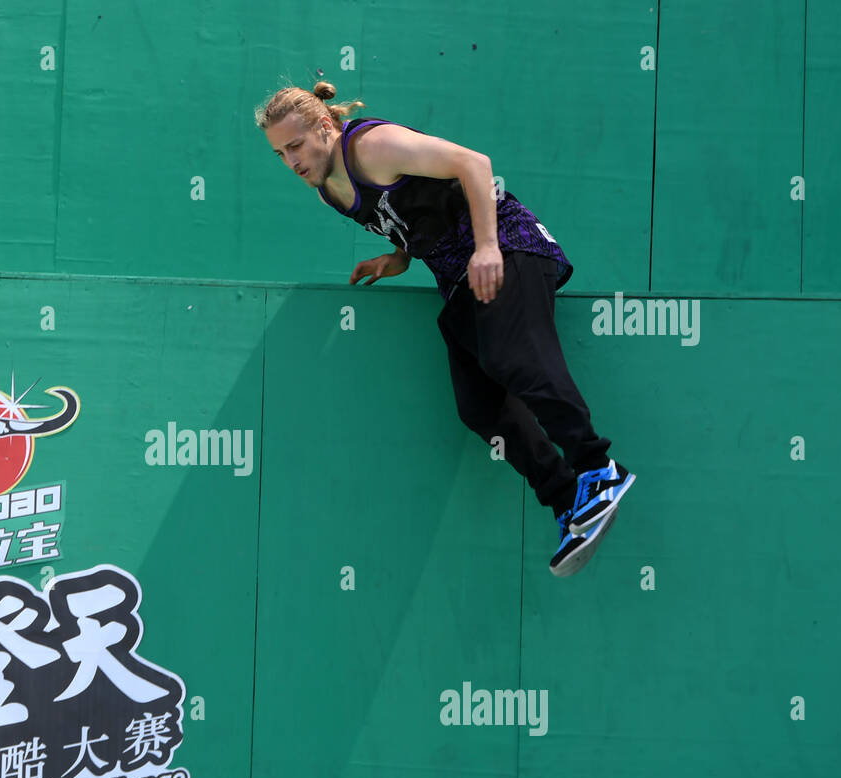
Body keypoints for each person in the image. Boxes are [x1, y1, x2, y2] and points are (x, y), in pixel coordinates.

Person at [256, 80, 635, 576]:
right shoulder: (328, 189)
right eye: (281, 153)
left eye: (296, 146)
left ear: (325, 126)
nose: (291, 161)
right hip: (459, 277)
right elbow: (417, 210)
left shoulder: (371, 147)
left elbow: (472, 164)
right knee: (479, 406)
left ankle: (597, 468)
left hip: (508, 246)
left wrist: (486, 246)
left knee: (511, 357)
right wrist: (399, 257)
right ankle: (568, 501)